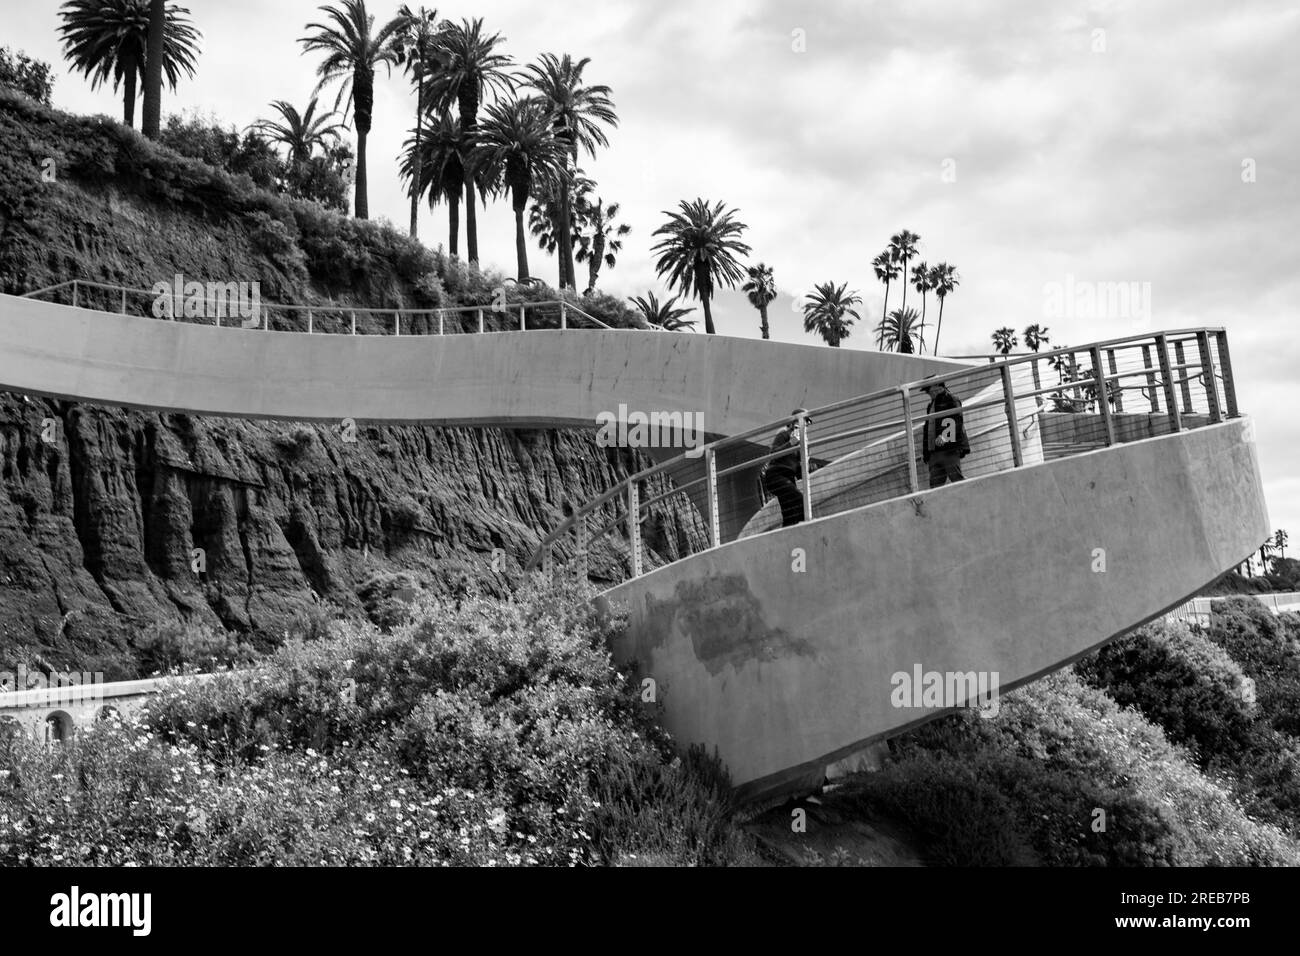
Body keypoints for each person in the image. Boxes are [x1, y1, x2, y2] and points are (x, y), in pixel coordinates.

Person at [761, 409, 813, 527]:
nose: (806, 425)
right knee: (800, 501)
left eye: (807, 423)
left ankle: (790, 534)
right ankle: (807, 526)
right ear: (795, 422)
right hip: (776, 475)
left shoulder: (803, 443)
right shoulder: (784, 434)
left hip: (789, 477)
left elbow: (801, 473)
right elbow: (773, 454)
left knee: (790, 513)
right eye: (805, 421)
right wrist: (791, 442)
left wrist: (805, 458)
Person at [920, 378, 970, 487]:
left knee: (957, 480)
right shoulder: (931, 406)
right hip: (934, 452)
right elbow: (927, 428)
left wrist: (945, 437)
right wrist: (926, 453)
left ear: (937, 387)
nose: (928, 393)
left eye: (929, 390)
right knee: (935, 486)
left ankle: (973, 494)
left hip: (949, 450)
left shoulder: (952, 400)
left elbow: (957, 421)